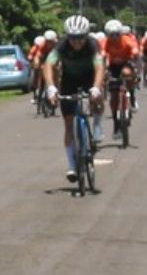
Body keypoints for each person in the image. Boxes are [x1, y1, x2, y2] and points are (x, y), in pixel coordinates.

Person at [42, 15, 107, 182]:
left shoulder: (93, 45)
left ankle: (97, 124)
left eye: (80, 38)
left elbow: (100, 67)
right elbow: (48, 65)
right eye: (72, 38)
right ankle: (72, 165)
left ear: (86, 36)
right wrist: (51, 87)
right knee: (69, 124)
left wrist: (96, 88)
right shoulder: (61, 46)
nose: (76, 42)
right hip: (69, 81)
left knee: (97, 98)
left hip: (89, 78)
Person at [102, 21, 143, 115]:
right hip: (112, 66)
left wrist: (134, 51)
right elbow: (101, 53)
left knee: (126, 73)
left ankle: (132, 97)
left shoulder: (127, 40)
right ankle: (114, 111)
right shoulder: (105, 42)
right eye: (111, 35)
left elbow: (134, 48)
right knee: (113, 91)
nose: (114, 37)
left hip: (126, 63)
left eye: (117, 35)